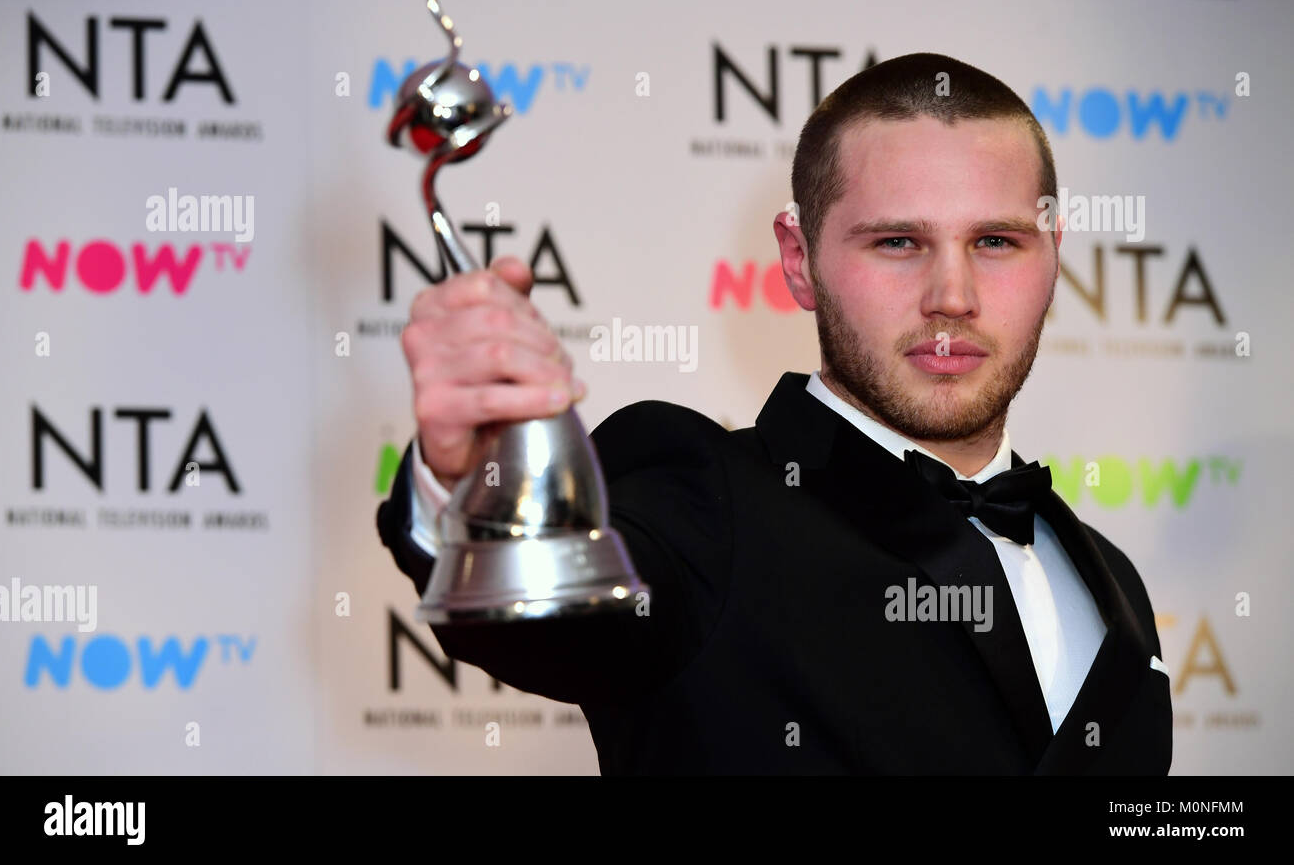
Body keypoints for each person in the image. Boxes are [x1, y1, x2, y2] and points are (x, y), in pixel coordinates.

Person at [376, 52, 1172, 775]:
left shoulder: (1111, 580)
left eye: (996, 242)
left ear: (1054, 254)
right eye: (898, 242)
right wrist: (475, 480)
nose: (952, 298)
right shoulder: (700, 499)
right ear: (799, 261)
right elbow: (549, 618)